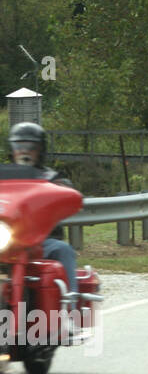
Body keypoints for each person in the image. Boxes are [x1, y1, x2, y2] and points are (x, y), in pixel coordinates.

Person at [7, 122, 78, 293]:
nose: (24, 151)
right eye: (19, 146)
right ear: (12, 149)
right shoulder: (4, 176)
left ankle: (70, 307)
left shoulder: (51, 178)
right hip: (7, 240)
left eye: (31, 146)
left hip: (41, 241)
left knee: (63, 249)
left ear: (40, 150)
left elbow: (67, 193)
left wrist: (61, 191)